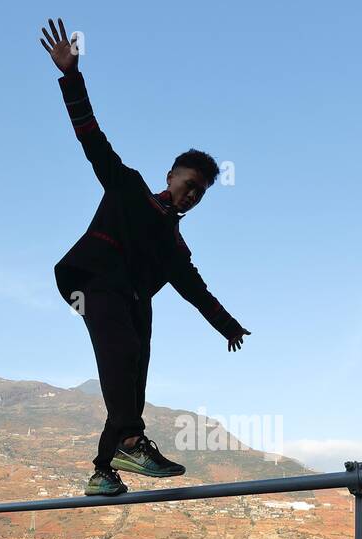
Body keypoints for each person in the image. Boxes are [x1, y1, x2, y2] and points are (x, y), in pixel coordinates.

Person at [40, 17, 251, 496]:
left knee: (132, 377)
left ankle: (103, 471)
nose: (192, 195)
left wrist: (229, 327)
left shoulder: (175, 247)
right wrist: (71, 76)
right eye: (189, 184)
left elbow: (197, 290)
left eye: (201, 193)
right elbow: (91, 137)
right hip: (91, 282)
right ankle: (131, 441)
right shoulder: (129, 187)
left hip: (129, 300)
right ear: (171, 174)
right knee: (124, 348)